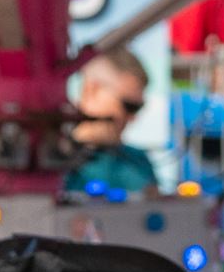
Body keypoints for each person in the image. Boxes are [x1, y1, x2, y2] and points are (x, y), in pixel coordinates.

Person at [67, 49, 159, 196]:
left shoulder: (139, 162)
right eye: (128, 106)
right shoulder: (51, 163)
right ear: (92, 90)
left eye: (138, 108)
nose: (132, 118)